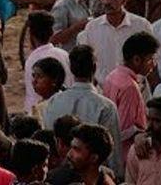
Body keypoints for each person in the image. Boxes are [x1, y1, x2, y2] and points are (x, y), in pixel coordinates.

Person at [43, 47, 122, 175]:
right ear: (95, 67)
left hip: (60, 175)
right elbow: (113, 156)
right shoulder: (106, 107)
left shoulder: (54, 102)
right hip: (92, 175)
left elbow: (48, 141)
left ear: (71, 69)